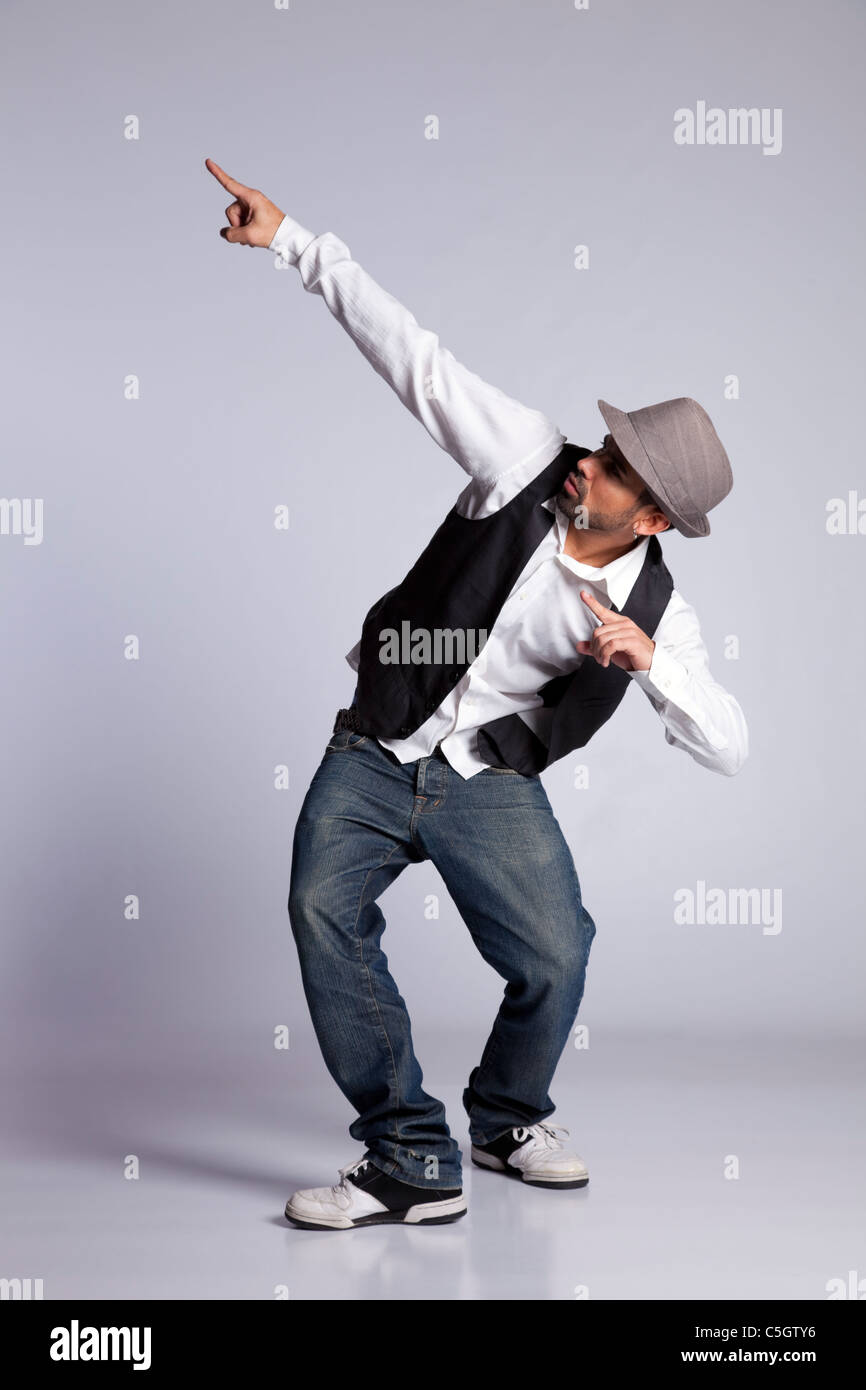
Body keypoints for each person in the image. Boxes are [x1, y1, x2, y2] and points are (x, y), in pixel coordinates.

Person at [206, 158, 749, 1231]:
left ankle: (504, 1117)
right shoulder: (522, 460)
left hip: (484, 778)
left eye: (614, 465)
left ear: (646, 517)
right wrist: (291, 243)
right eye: (604, 445)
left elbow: (729, 743)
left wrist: (654, 665)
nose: (588, 460)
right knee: (322, 909)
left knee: (556, 951)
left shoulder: (654, 603)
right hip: (376, 747)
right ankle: (408, 1153)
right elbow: (414, 357)